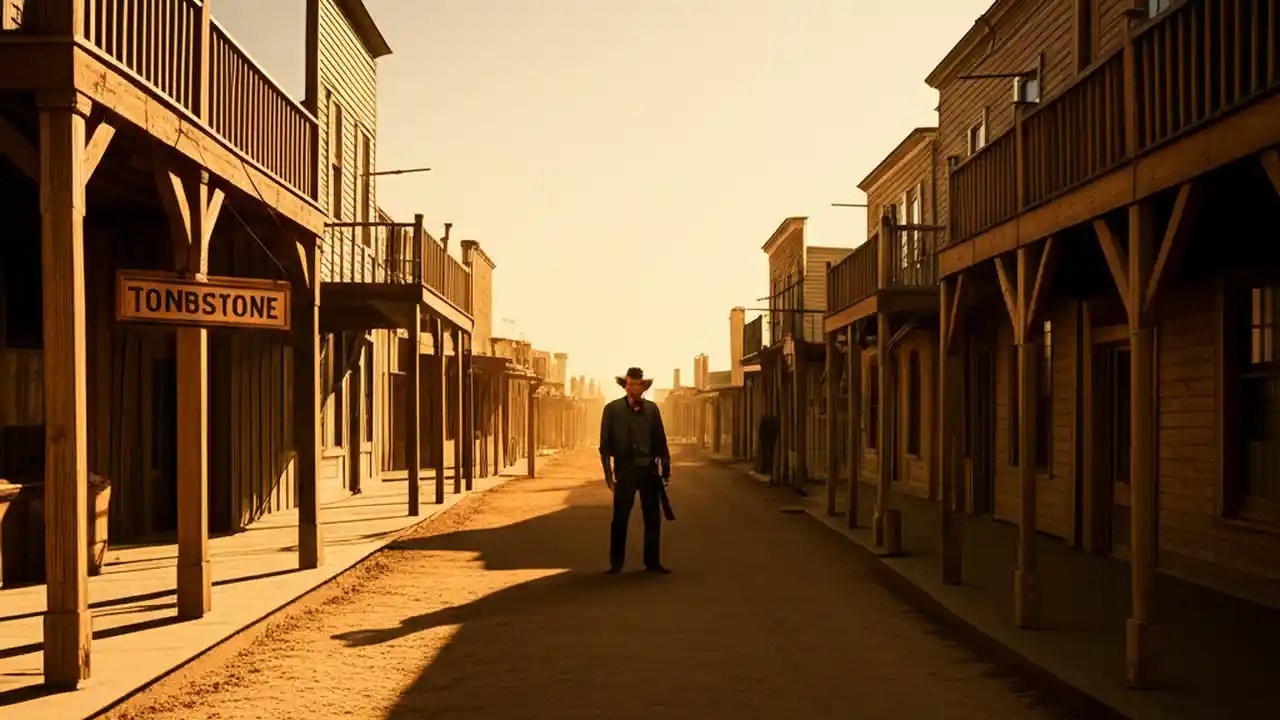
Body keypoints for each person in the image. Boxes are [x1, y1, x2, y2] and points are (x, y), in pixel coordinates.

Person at [599, 367, 671, 574]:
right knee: (620, 518)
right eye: (630, 384)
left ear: (643, 387)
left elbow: (661, 440)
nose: (633, 388)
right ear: (625, 385)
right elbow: (604, 445)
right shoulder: (612, 410)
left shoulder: (651, 410)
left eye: (637, 384)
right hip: (626, 470)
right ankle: (616, 564)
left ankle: (652, 563)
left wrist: (665, 470)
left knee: (652, 518)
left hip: (648, 470)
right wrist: (608, 474)